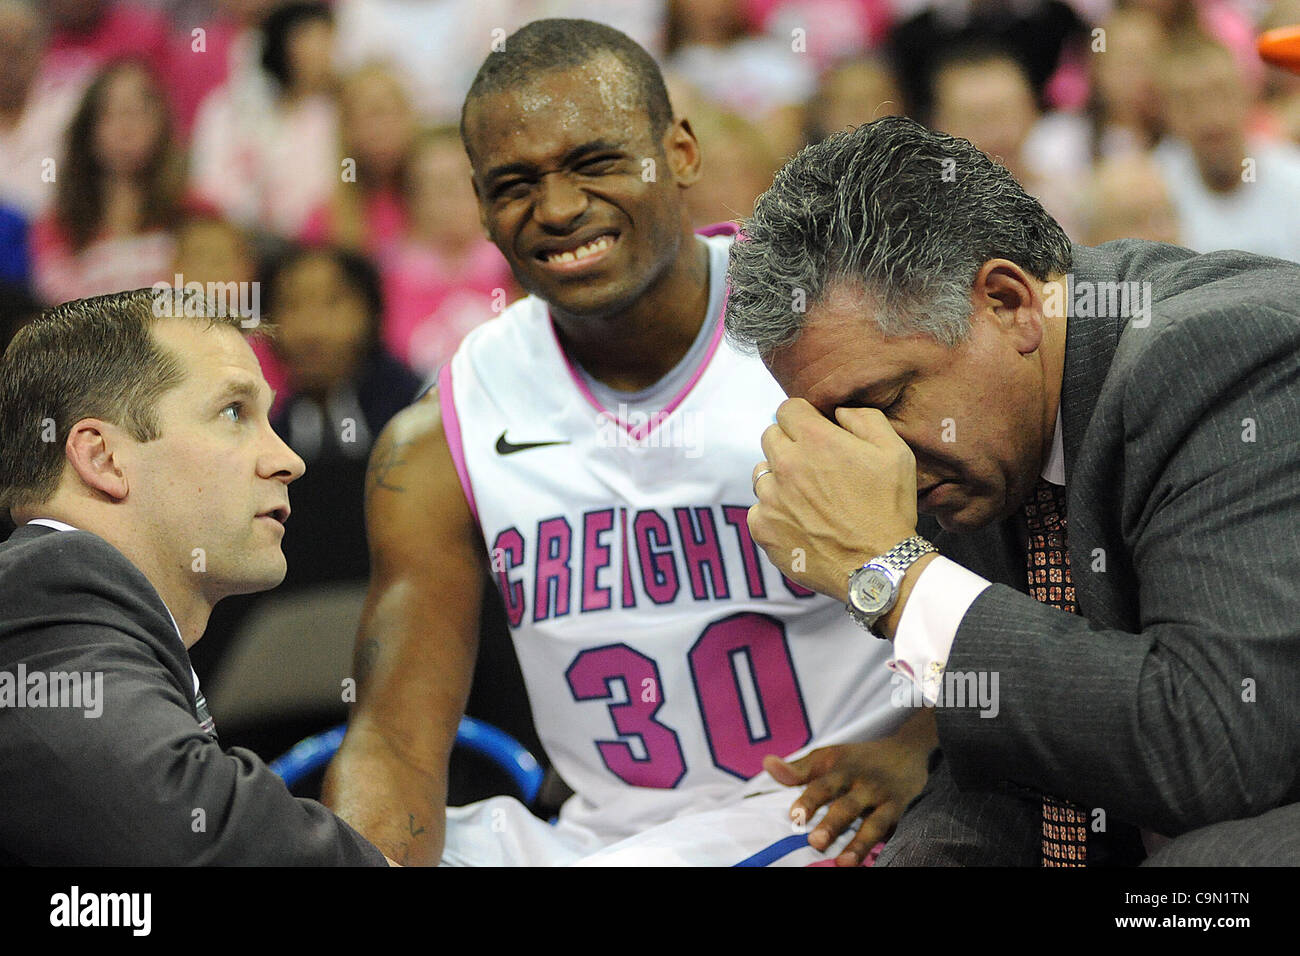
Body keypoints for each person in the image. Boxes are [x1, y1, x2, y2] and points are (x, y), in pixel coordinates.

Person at [322, 18, 937, 867]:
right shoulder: (439, 434)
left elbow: (1021, 583)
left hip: (828, 815)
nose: (560, 208)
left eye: (595, 162)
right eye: (514, 183)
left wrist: (928, 743)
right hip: (603, 838)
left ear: (679, 152)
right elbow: (394, 738)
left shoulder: (827, 330)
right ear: (481, 208)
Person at [724, 115, 1300, 865]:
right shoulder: (975, 436)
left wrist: (893, 578)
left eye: (886, 404)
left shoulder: (1218, 355)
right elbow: (1026, 762)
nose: (876, 459)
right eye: (840, 428)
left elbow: (1220, 750)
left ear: (1009, 303)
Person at [0, 288, 391, 865]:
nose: (288, 458)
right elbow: (185, 821)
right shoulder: (42, 599)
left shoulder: (79, 610)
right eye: (234, 413)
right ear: (103, 458)